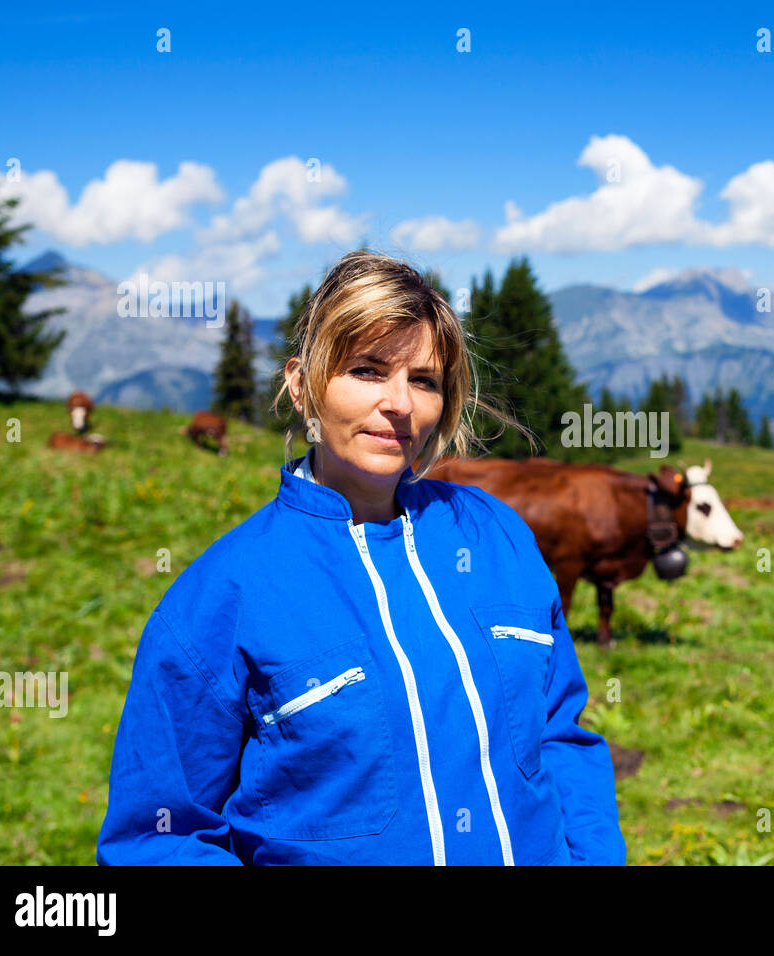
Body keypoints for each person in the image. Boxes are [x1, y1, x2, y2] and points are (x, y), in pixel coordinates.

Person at [97, 250, 626, 865]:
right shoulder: (223, 594)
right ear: (302, 385)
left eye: (424, 380)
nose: (400, 403)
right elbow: (158, 840)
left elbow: (560, 736)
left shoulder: (497, 537)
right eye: (368, 371)